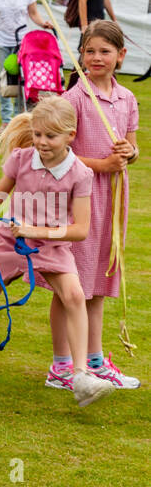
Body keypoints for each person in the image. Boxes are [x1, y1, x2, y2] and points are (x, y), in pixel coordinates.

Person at [0, 98, 116, 408]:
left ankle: (81, 375)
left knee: (74, 296)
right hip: (9, 242)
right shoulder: (21, 158)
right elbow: (1, 192)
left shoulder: (80, 174)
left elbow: (80, 229)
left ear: (71, 135)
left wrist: (36, 231)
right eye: (38, 135)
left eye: (51, 136)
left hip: (51, 244)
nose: (42, 143)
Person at [48, 20, 140, 391]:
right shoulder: (74, 99)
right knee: (71, 284)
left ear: (121, 56)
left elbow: (132, 149)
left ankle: (95, 360)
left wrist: (128, 152)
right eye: (90, 51)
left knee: (99, 280)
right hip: (81, 199)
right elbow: (56, 153)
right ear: (80, 54)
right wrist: (101, 165)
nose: (97, 57)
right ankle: (62, 366)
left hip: (113, 197)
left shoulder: (127, 99)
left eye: (105, 51)